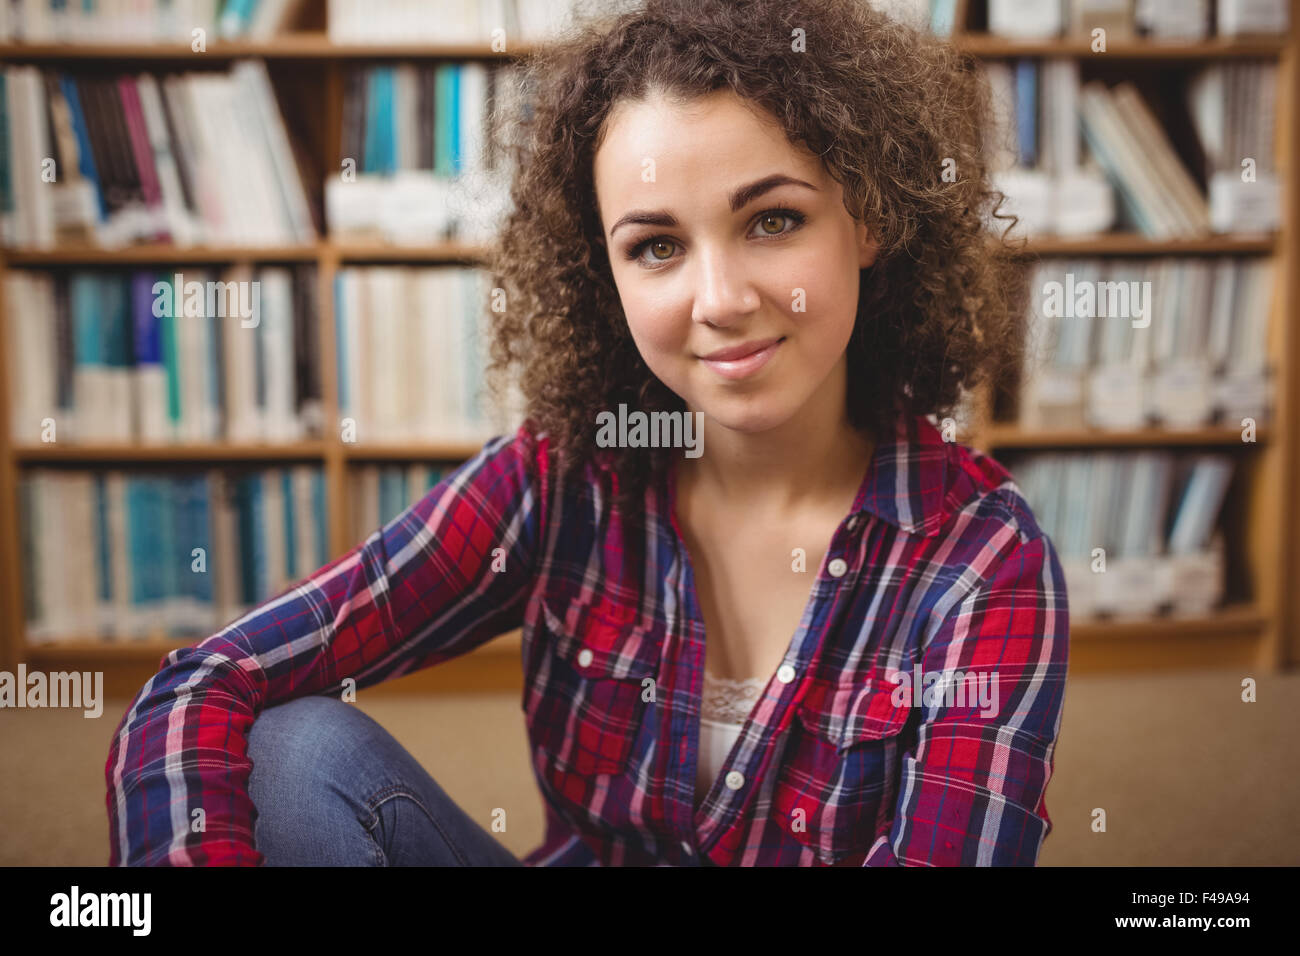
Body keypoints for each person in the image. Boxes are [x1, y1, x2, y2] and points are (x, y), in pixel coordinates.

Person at [105, 0, 1069, 867]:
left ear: (869, 218)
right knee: (290, 752)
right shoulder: (564, 477)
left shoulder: (984, 561)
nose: (720, 300)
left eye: (773, 220)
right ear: (605, 275)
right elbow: (210, 680)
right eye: (657, 246)